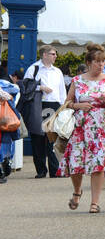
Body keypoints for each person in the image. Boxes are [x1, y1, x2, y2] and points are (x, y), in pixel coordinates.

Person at [60, 43, 105, 213]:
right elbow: (67, 103)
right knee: (75, 163)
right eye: (97, 62)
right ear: (89, 62)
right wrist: (79, 106)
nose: (100, 65)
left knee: (98, 165)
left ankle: (95, 202)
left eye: (102, 62)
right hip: (81, 127)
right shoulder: (77, 80)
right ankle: (77, 191)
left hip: (101, 128)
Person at [24, 46, 65, 178]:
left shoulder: (57, 71)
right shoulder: (34, 68)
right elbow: (25, 86)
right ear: (45, 55)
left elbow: (62, 90)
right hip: (38, 104)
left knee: (53, 137)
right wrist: (40, 87)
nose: (55, 56)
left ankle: (54, 170)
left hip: (54, 105)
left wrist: (64, 107)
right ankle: (41, 170)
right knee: (38, 137)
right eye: (53, 54)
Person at [0, 75, 20, 182]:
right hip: (5, 118)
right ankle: (6, 160)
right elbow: (7, 96)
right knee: (5, 141)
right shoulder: (11, 87)